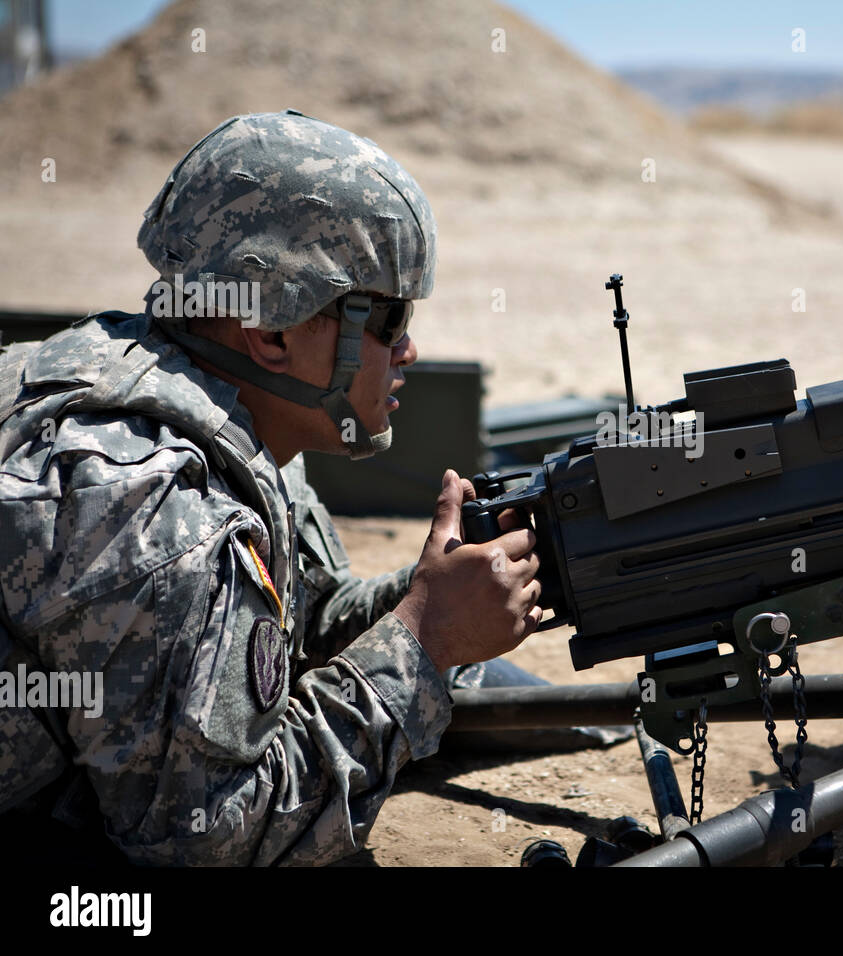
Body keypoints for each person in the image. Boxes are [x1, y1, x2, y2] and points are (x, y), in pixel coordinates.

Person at [0, 110, 543, 865]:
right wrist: (424, 642)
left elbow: (298, 627)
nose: (409, 348)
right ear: (274, 333)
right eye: (387, 317)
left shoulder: (234, 417)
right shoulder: (163, 514)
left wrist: (441, 589)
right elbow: (214, 838)